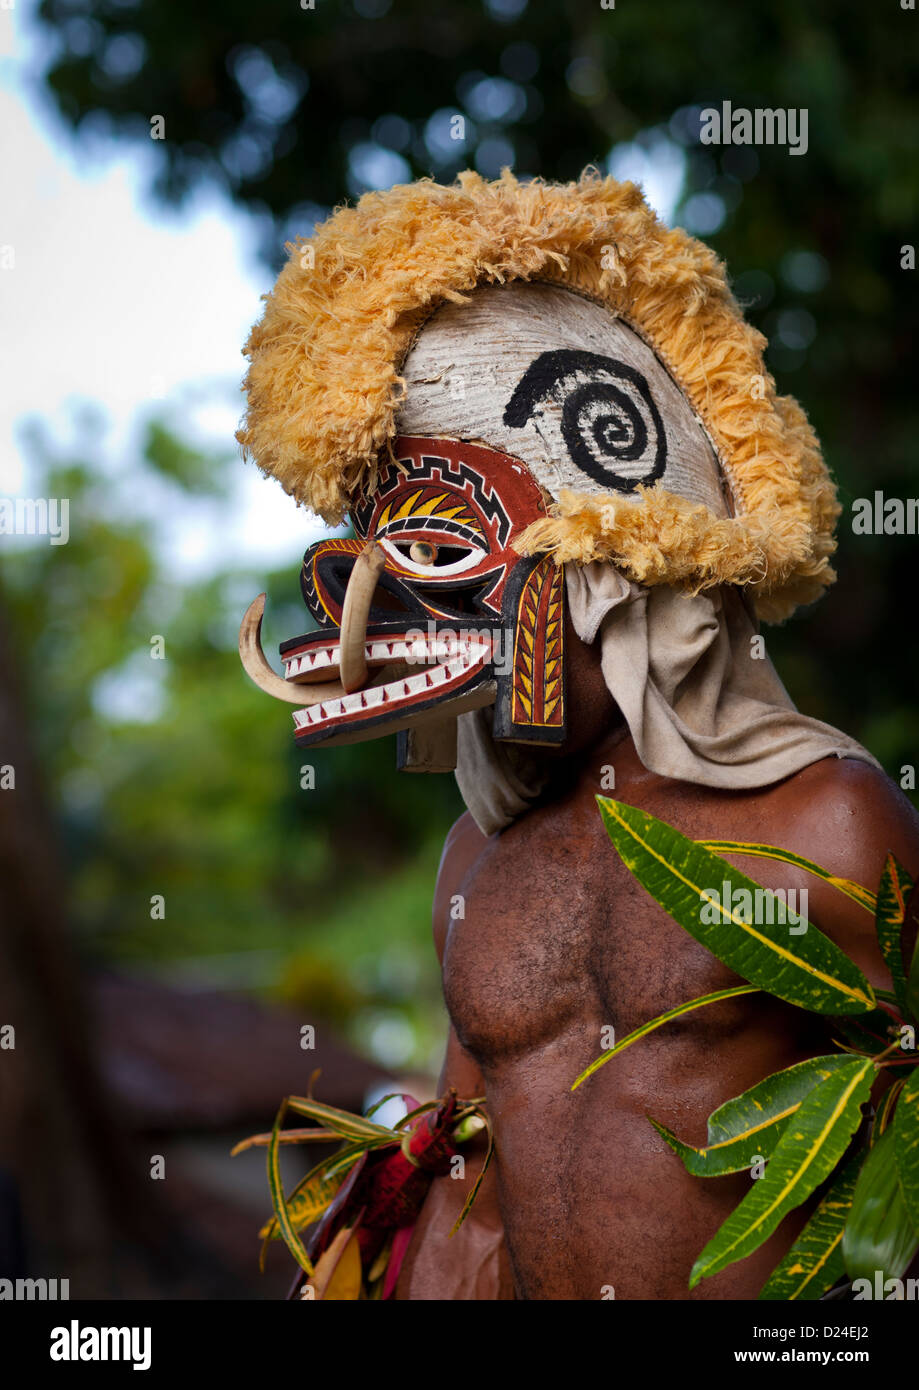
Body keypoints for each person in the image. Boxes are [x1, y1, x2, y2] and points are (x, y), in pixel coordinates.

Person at [237, 172, 919, 1298]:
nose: (419, 628)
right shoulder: (480, 856)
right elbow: (463, 1172)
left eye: (451, 568)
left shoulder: (827, 821)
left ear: (618, 572)